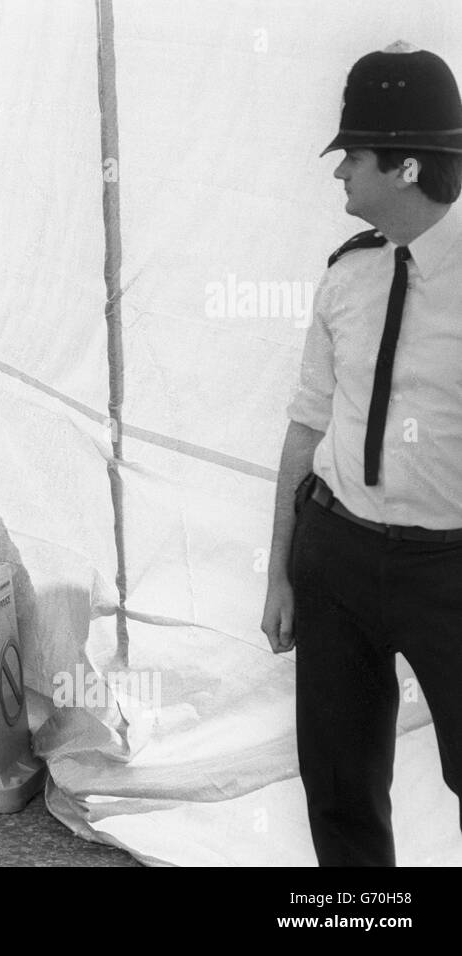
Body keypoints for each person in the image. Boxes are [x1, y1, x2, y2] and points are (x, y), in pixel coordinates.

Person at [262, 42, 462, 866]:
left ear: (407, 167)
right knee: (340, 792)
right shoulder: (346, 274)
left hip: (448, 569)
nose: (339, 170)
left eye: (354, 154)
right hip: (337, 552)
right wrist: (280, 569)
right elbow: (306, 429)